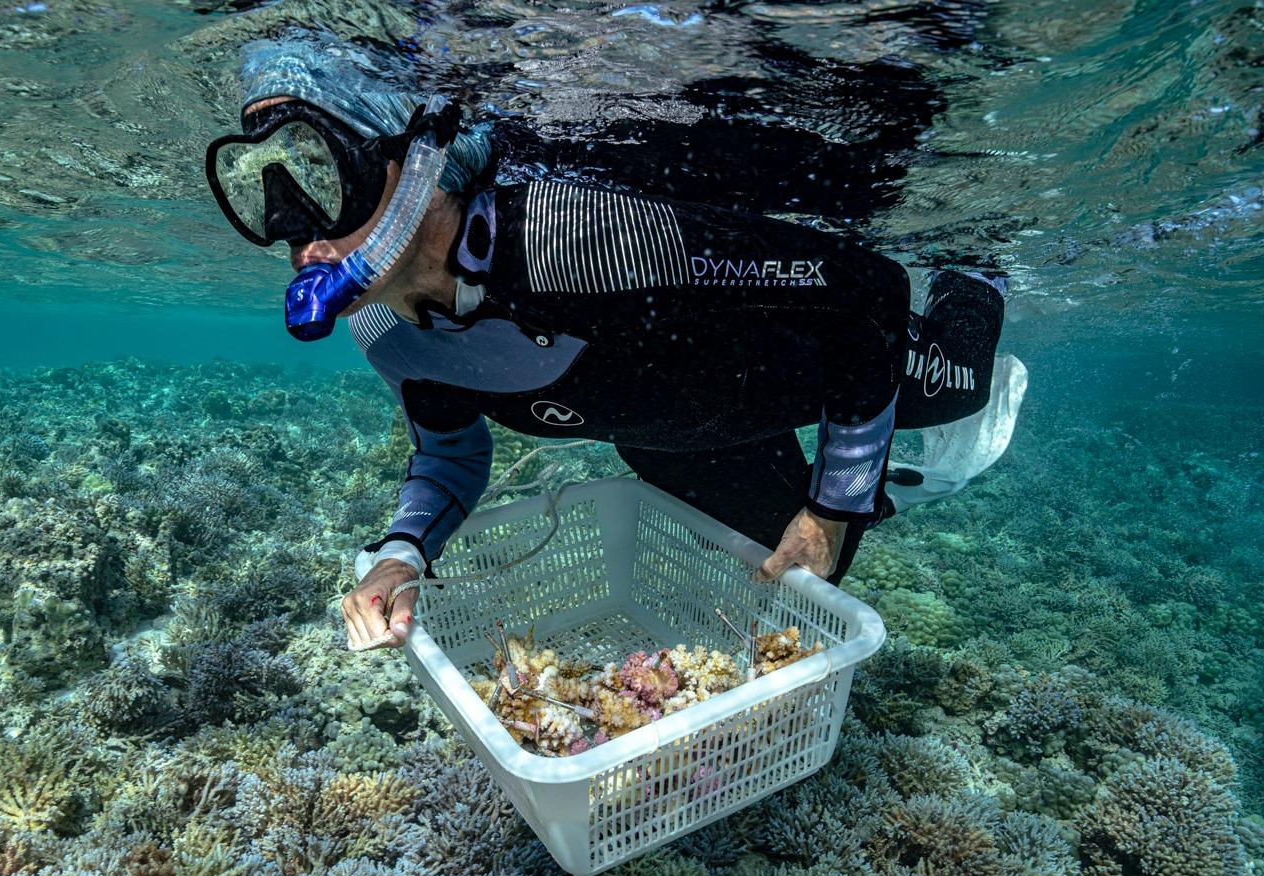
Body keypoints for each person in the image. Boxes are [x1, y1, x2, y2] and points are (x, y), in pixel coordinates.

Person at [206, 34, 1025, 651]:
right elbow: (449, 454)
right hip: (668, 439)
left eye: (320, 173)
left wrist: (832, 502)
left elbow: (866, 292)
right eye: (264, 192)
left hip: (804, 360)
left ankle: (977, 267)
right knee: (811, 582)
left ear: (408, 160)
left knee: (955, 389)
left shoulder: (570, 237)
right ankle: (883, 479)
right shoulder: (383, 328)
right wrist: (401, 554)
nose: (295, 231)